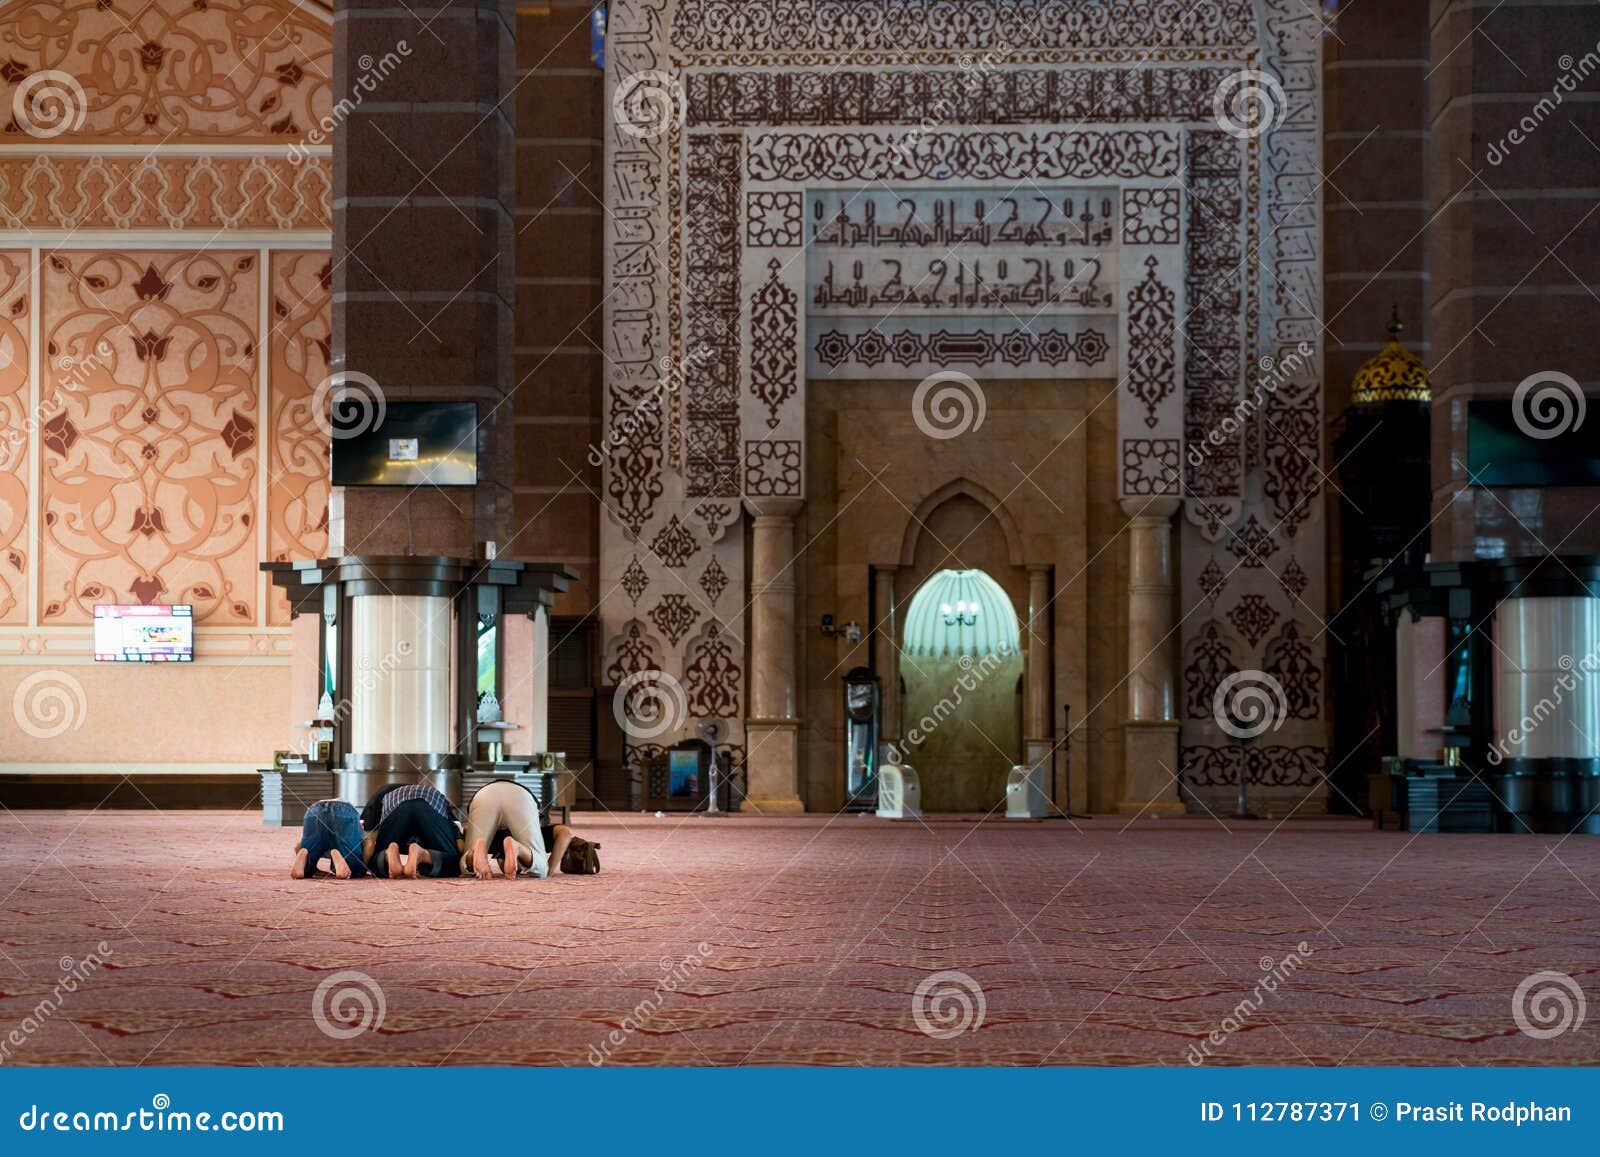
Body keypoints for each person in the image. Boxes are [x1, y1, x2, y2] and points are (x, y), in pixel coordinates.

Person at [460, 779, 602, 879]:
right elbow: (565, 832)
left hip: (485, 795)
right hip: (519, 797)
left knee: (465, 863)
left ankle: (474, 852)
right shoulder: (540, 836)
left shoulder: (496, 844)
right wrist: (549, 869)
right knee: (542, 869)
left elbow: (466, 830)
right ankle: (517, 848)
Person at [361, 781, 463, 879]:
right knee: (455, 863)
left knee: (375, 858)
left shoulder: (381, 792)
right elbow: (457, 834)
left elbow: (368, 838)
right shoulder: (434, 793)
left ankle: (387, 855)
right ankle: (423, 855)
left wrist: (376, 851)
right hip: (429, 807)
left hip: (396, 809)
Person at [290, 799, 370, 879]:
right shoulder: (360, 827)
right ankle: (344, 864)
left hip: (314, 810)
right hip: (344, 810)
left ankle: (304, 861)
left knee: (308, 858)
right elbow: (369, 843)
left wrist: (315, 870)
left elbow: (298, 845)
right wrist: (363, 869)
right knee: (355, 868)